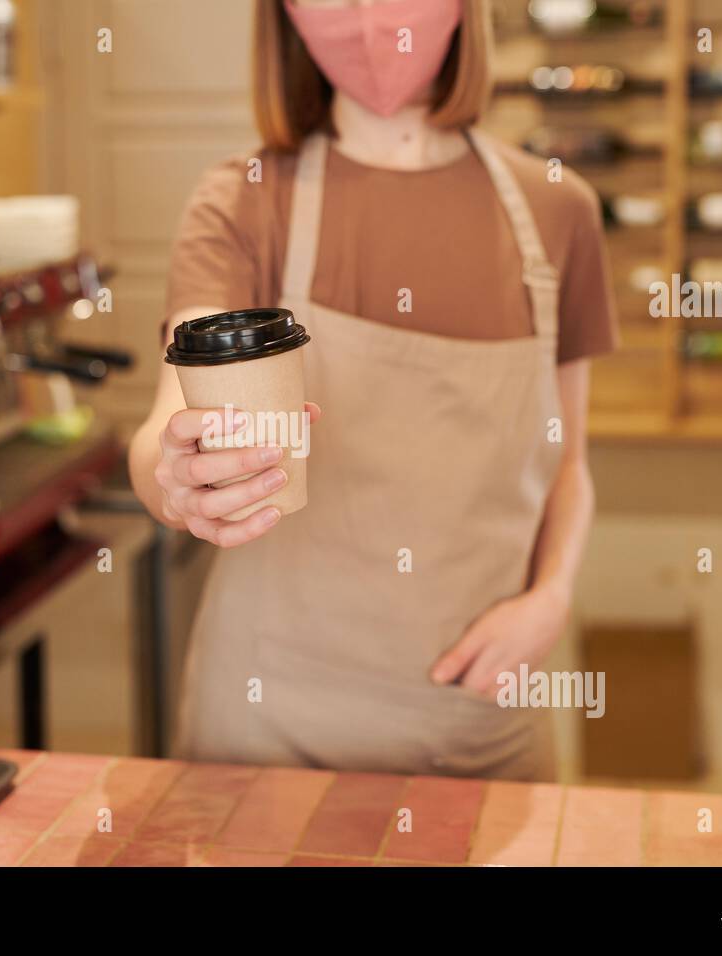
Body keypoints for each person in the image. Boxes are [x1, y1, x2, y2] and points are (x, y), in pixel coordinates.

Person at [128, 0, 618, 780]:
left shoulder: (561, 211)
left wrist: (552, 596)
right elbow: (164, 430)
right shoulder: (244, 201)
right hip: (268, 724)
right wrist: (178, 480)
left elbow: (570, 463)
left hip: (481, 715)